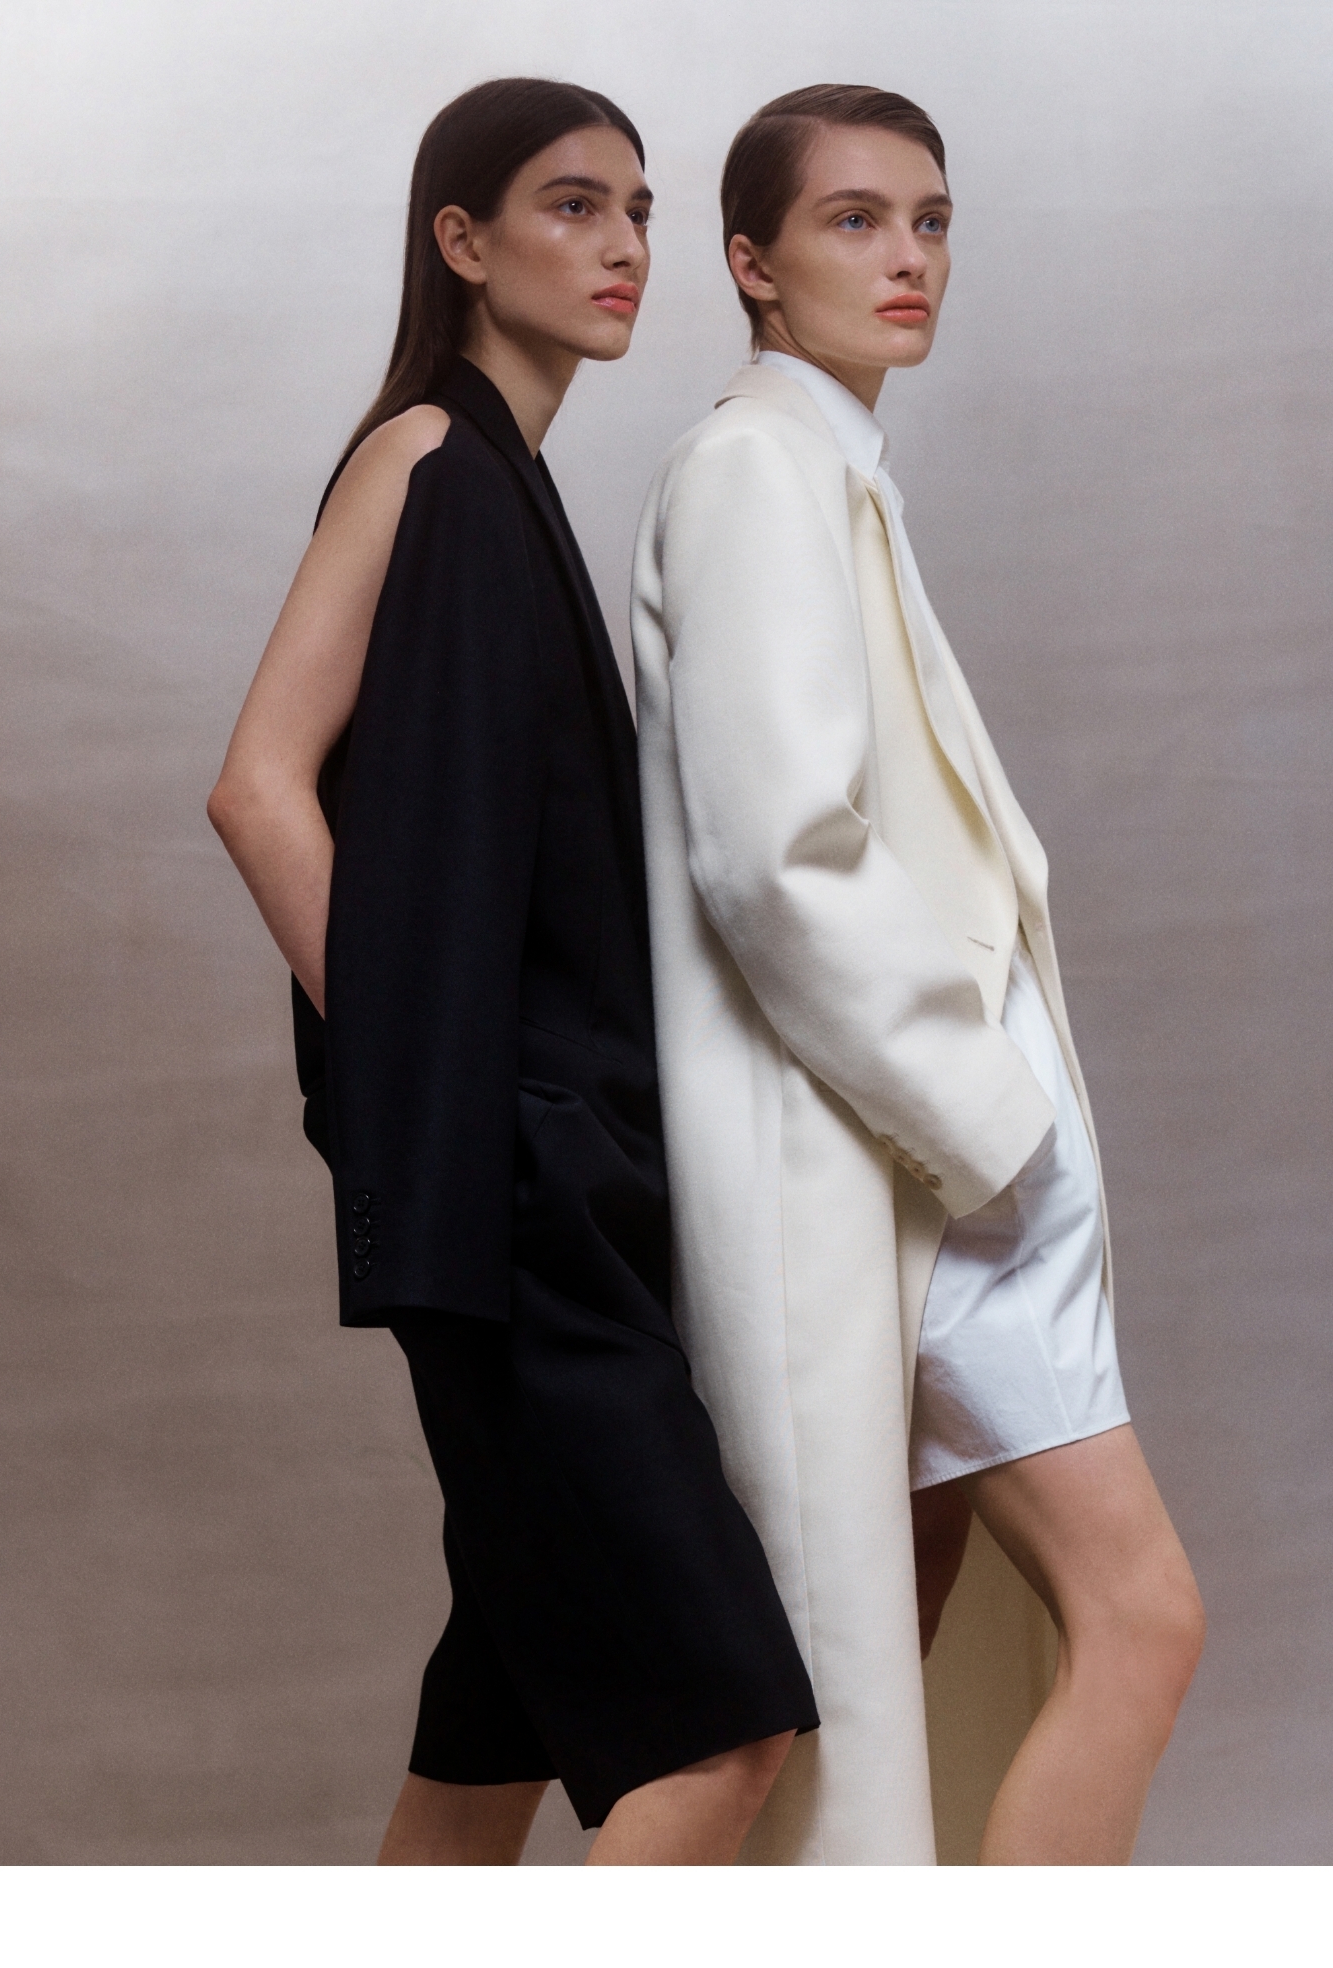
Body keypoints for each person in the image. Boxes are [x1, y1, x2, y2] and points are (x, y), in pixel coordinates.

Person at [208, 77, 817, 1867]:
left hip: (561, 1181)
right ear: (461, 242)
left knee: (491, 1749)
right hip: (523, 1199)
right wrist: (439, 1083)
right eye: (571, 205)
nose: (623, 244)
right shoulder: (427, 456)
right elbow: (258, 785)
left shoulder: (507, 482)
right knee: (720, 1736)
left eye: (638, 209)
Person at [631, 84, 1205, 1864]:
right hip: (930, 1170)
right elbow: (777, 853)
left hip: (937, 1167)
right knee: (1139, 1620)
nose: (910, 259)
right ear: (753, 262)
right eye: (856, 221)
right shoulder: (755, 471)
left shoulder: (831, 473)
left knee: (877, 1655)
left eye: (933, 221)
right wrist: (993, 1126)